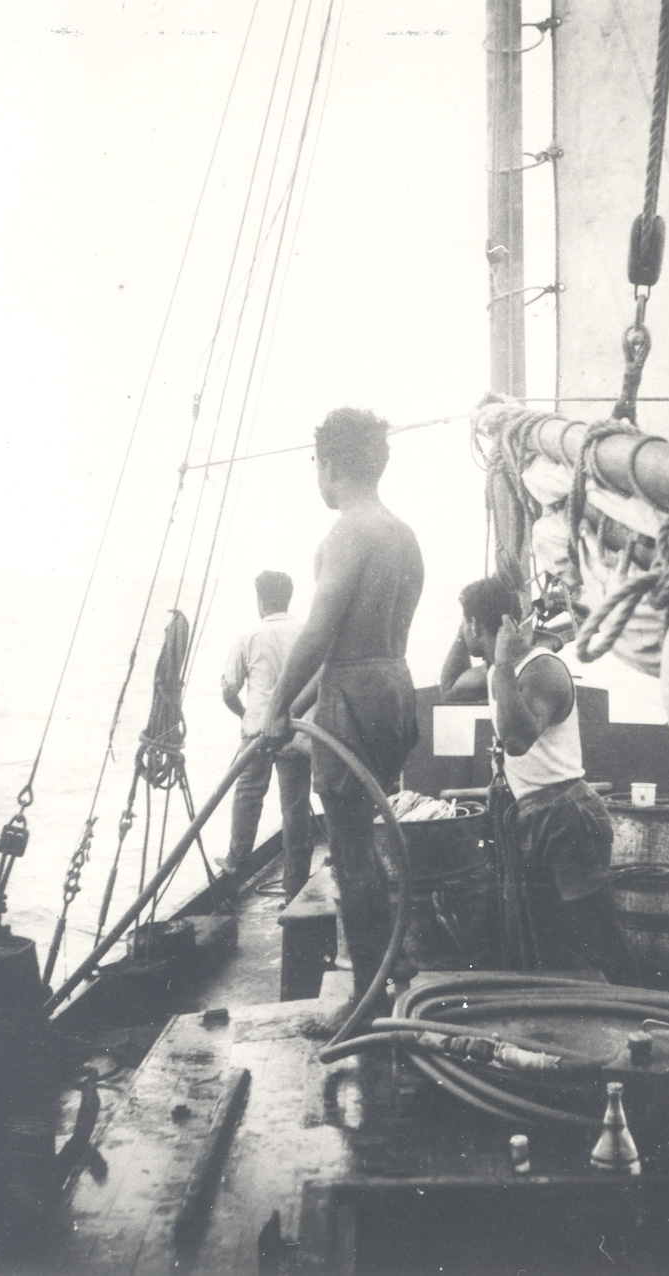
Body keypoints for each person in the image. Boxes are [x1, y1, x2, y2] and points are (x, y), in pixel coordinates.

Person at [264, 407, 424, 1029]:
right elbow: (356, 640)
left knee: (350, 854)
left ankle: (367, 996)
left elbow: (322, 631)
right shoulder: (403, 533)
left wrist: (277, 707)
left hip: (352, 697)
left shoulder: (347, 534)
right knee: (372, 837)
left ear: (330, 465)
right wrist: (289, 712)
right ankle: (393, 965)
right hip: (392, 685)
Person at [453, 575, 638, 984]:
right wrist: (472, 629)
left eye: (466, 623)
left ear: (476, 625)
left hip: (564, 814)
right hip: (533, 814)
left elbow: (517, 740)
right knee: (549, 938)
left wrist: (501, 662)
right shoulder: (494, 672)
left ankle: (652, 1016)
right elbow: (450, 684)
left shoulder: (539, 670)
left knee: (598, 934)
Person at [221, 571, 313, 904]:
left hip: (258, 732)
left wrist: (245, 713)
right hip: (296, 731)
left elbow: (228, 690)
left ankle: (236, 864)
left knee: (247, 796)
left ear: (262, 600)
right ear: (287, 599)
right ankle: (296, 883)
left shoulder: (249, 636)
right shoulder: (305, 633)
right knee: (295, 808)